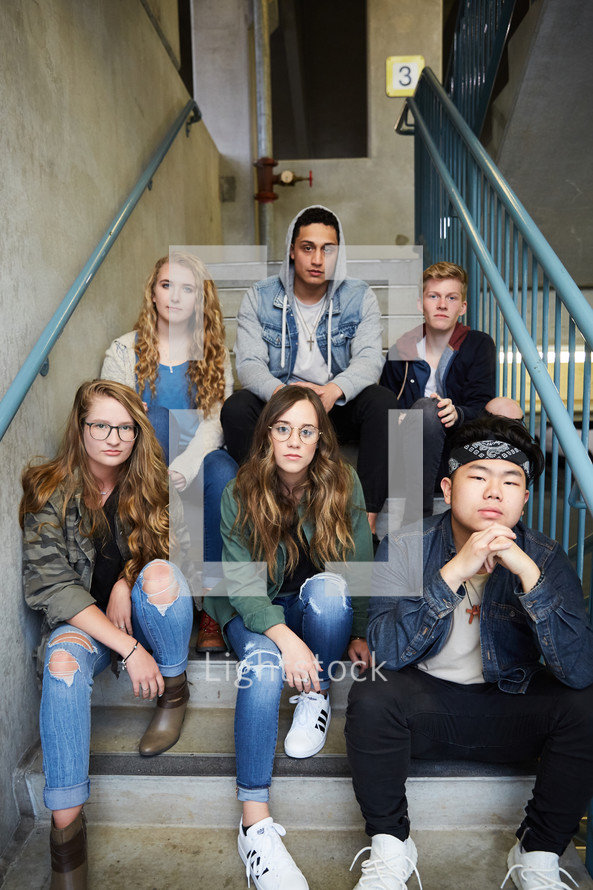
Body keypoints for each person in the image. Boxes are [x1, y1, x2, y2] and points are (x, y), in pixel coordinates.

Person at [345, 415, 593, 890]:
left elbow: (579, 669)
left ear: (524, 498)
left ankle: (537, 854)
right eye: (478, 477)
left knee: (585, 704)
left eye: (510, 481)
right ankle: (391, 848)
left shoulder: (544, 557)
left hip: (508, 707)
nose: (494, 492)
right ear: (448, 486)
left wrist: (530, 579)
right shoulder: (405, 544)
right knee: (372, 694)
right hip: (426, 709)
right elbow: (385, 649)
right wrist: (453, 573)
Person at [20, 379, 194, 890]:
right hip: (91, 628)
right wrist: (129, 648)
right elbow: (52, 585)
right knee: (61, 663)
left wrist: (127, 579)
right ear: (81, 427)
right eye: (102, 425)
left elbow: (174, 549)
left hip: (147, 613)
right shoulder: (48, 490)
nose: (115, 437)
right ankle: (67, 842)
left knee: (160, 576)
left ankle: (173, 690)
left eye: (125, 427)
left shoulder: (152, 481)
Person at [205, 386, 373, 889]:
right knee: (262, 667)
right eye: (283, 429)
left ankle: (312, 697)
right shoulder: (240, 491)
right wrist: (286, 641)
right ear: (267, 436)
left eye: (306, 430)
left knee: (329, 591)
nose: (294, 441)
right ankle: (253, 823)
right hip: (252, 608)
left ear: (320, 438)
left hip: (310, 610)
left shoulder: (343, 483)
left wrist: (359, 630)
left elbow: (358, 563)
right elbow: (244, 587)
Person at [220, 204, 398, 536]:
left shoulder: (359, 297)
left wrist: (334, 390)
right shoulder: (259, 298)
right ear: (291, 251)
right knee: (236, 408)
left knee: (382, 402)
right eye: (308, 248)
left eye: (327, 249)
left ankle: (367, 524)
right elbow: (249, 364)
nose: (317, 259)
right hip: (281, 404)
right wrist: (282, 397)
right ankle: (272, 512)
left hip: (333, 405)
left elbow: (370, 359)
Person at [101, 252, 237, 651]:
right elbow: (108, 411)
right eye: (166, 285)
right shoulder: (125, 351)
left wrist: (188, 462)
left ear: (200, 298)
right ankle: (154, 585)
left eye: (187, 288)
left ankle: (214, 606)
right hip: (145, 464)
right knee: (153, 417)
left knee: (223, 469)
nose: (176, 296)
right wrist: (160, 464)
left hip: (195, 461)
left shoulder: (212, 353)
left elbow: (216, 421)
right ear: (153, 293)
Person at [381, 261, 496, 519]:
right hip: (408, 444)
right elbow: (385, 402)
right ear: (420, 304)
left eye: (451, 297)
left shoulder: (478, 344)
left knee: (503, 411)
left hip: (457, 441)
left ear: (462, 307)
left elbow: (482, 404)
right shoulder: (402, 349)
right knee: (425, 408)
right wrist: (401, 417)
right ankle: (419, 519)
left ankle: (417, 518)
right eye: (433, 296)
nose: (442, 304)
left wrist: (458, 413)